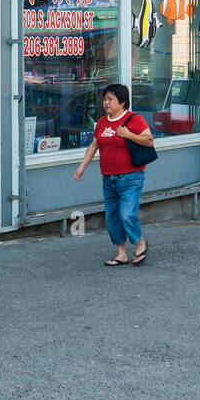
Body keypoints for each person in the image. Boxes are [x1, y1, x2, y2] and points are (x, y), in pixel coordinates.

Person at [73, 83, 155, 267]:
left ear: (122, 101)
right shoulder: (102, 122)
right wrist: (82, 167)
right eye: (104, 99)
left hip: (131, 177)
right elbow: (94, 146)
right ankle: (121, 254)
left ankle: (139, 241)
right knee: (112, 217)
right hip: (108, 178)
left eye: (110, 99)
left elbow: (149, 141)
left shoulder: (134, 119)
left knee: (126, 214)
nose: (106, 102)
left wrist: (128, 134)